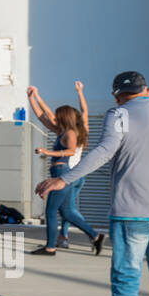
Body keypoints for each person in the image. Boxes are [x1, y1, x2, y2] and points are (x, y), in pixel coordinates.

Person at [36, 71, 149, 296]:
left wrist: (64, 180)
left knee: (126, 277)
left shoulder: (119, 114)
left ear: (115, 95)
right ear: (147, 90)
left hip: (132, 211)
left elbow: (105, 151)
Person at [27, 82, 103, 256]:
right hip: (70, 174)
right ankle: (93, 236)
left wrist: (80, 92)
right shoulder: (67, 131)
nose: (55, 117)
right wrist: (33, 97)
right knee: (67, 211)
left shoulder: (71, 134)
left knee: (52, 211)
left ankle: (51, 246)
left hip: (67, 174)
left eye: (59, 115)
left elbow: (81, 113)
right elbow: (43, 115)